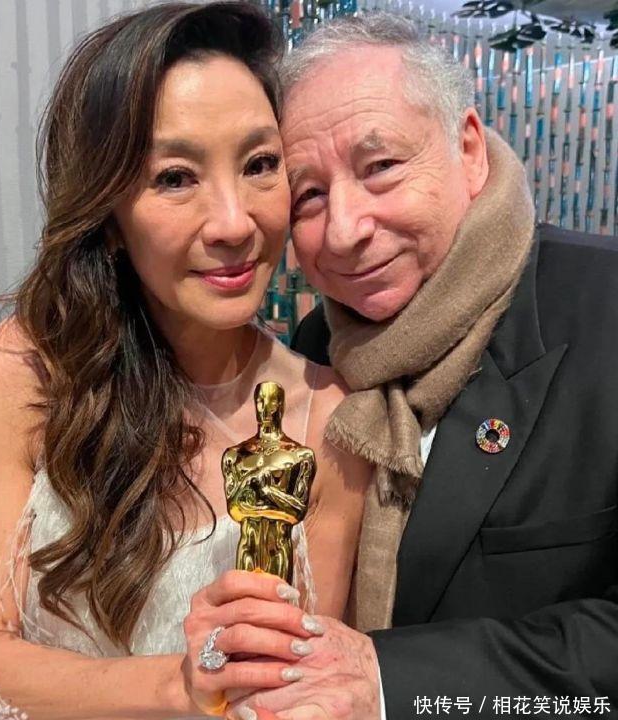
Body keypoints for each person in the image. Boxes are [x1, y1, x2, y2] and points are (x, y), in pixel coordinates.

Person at [0, 4, 370, 718]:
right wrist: (178, 686)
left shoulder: (329, 420)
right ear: (107, 213)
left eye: (260, 165)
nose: (234, 222)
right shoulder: (17, 376)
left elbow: (300, 682)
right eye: (175, 177)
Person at [197, 12, 618, 720]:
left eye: (381, 167)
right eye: (308, 195)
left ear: (468, 150)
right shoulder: (318, 349)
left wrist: (390, 680)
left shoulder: (603, 309)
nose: (345, 230)